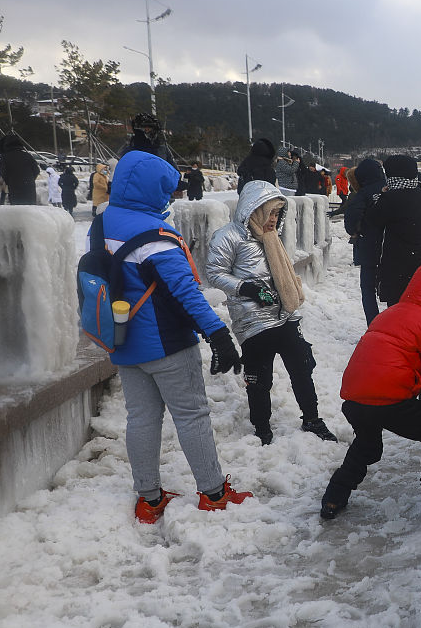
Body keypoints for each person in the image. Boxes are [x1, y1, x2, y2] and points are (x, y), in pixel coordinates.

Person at [100, 150, 253, 522]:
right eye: (166, 191)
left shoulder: (104, 221)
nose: (170, 197)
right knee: (192, 416)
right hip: (166, 341)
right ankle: (214, 492)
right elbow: (185, 292)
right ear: (151, 190)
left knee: (141, 418)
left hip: (122, 338)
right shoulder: (155, 237)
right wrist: (219, 335)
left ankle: (148, 498)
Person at [319, 261, 421, 519]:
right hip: (390, 400)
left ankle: (333, 498)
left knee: (367, 445)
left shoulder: (390, 313)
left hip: (354, 397)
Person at [205, 180, 337, 446]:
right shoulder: (229, 236)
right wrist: (248, 289)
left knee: (302, 365)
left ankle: (312, 418)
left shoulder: (271, 237)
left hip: (283, 314)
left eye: (278, 214)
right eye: (270, 213)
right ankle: (262, 429)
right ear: (254, 211)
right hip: (252, 321)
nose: (274, 219)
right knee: (258, 377)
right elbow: (214, 273)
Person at [367, 154, 421, 306]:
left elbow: (372, 221)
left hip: (398, 268)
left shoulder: (390, 198)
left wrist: (380, 196)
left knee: (399, 309)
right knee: (419, 307)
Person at [343, 157, 388, 323]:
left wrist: (355, 231)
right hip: (392, 248)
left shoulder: (362, 193)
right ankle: (395, 327)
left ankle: (374, 325)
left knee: (368, 289)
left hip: (369, 248)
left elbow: (351, 219)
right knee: (392, 289)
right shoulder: (390, 188)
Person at [0, 133, 39, 205]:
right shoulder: (27, 155)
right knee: (30, 211)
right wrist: (29, 179)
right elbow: (36, 170)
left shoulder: (5, 157)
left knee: (17, 210)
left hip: (14, 187)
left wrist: (10, 181)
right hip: (29, 187)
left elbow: (3, 172)